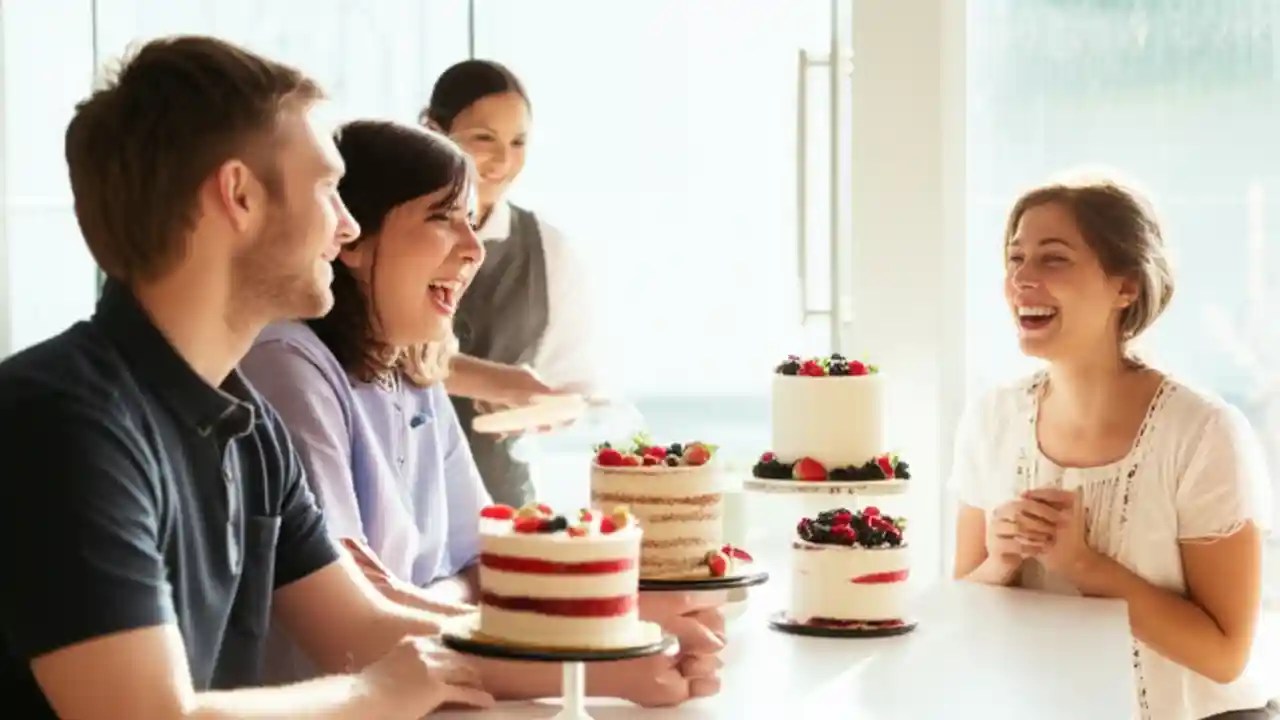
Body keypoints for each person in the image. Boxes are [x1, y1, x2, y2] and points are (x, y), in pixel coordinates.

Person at [0, 35, 498, 719]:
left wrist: (614, 655)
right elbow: (147, 717)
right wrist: (372, 694)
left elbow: (363, 630)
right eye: (328, 188)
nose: (348, 227)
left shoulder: (247, 425)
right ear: (237, 194)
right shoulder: (61, 420)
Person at [240, 119, 723, 706]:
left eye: (471, 221)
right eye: (443, 218)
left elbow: (484, 563)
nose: (472, 250)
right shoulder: (288, 363)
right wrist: (597, 665)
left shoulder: (412, 368)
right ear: (353, 240)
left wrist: (620, 623)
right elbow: (356, 619)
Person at [949, 173, 1276, 720]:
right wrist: (999, 562)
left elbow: (1224, 656)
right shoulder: (992, 419)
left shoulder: (1203, 433)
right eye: (1015, 258)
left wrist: (1084, 564)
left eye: (1053, 259)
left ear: (1125, 287)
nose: (1021, 279)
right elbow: (965, 606)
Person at [420, 59, 604, 507]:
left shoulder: (549, 251)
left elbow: (573, 385)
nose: (503, 159)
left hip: (501, 505)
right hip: (402, 499)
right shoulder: (388, 234)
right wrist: (495, 382)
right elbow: (375, 351)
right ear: (433, 130)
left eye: (518, 142)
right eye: (484, 138)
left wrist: (547, 409)